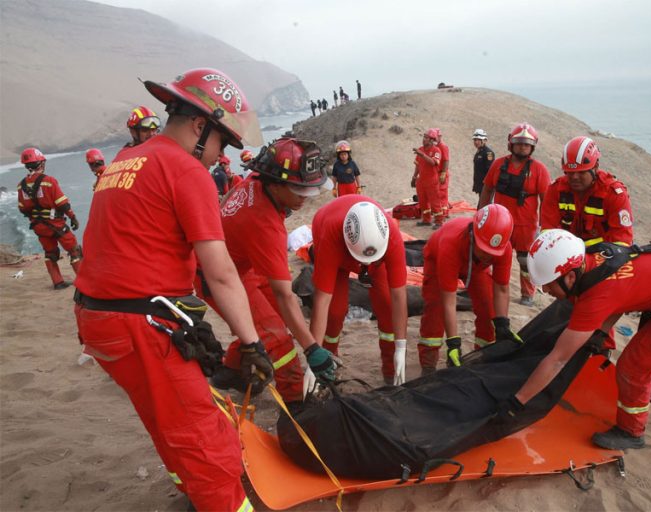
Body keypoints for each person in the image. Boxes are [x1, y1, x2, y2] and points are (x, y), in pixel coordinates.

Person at [73, 67, 270, 511]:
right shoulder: (185, 170)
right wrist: (252, 343)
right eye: (222, 143)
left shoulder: (125, 161)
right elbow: (220, 273)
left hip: (98, 320)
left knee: (166, 420)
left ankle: (192, 493)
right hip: (140, 326)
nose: (219, 156)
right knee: (206, 441)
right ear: (200, 126)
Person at [515, 229, 651, 450]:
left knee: (633, 367)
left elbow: (557, 360)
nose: (545, 289)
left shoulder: (599, 293)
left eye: (548, 284)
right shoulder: (592, 257)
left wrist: (518, 401)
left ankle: (631, 431)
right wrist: (601, 333)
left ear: (570, 277)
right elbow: (620, 298)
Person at [197, 137, 336, 404]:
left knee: (269, 321)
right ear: (275, 183)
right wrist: (312, 349)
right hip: (218, 276)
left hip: (241, 262)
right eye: (299, 191)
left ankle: (231, 370)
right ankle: (295, 402)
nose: (304, 198)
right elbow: (284, 295)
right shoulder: (264, 223)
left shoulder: (257, 181)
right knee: (277, 337)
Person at [310, 196, 409, 385]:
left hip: (371, 252)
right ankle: (328, 361)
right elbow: (322, 301)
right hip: (333, 241)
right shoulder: (330, 235)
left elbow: (399, 296)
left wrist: (401, 347)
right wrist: (313, 357)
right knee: (334, 312)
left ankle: (390, 370)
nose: (367, 264)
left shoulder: (391, 236)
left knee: (387, 306)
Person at [418, 204, 519, 373]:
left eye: (493, 253)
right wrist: (453, 343)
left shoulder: (502, 248)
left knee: (488, 308)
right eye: (485, 250)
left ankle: (482, 356)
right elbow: (449, 300)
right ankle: (428, 365)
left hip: (476, 266)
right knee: (435, 308)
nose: (488, 256)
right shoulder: (450, 245)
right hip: (439, 259)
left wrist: (502, 324)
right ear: (473, 235)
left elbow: (501, 289)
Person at [478, 123, 551, 307]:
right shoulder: (498, 164)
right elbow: (487, 189)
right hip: (499, 224)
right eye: (519, 143)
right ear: (511, 144)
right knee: (491, 256)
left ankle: (527, 294)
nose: (523, 147)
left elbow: (546, 201)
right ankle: (487, 288)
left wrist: (544, 228)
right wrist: (481, 214)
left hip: (526, 226)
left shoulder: (539, 170)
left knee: (525, 261)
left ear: (532, 147)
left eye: (527, 144)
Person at [541, 136, 633, 249]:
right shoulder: (555, 190)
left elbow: (622, 241)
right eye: (570, 172)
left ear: (596, 167)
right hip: (565, 253)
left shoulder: (614, 194)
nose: (575, 177)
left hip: (604, 255)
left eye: (581, 172)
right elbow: (547, 233)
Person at [17, 147, 81, 290]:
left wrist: (36, 216)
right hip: (56, 224)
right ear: (40, 163)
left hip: (39, 227)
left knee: (50, 252)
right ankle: (83, 280)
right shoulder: (49, 181)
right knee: (74, 250)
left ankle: (58, 282)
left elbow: (22, 208)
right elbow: (62, 204)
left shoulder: (21, 186)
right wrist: (73, 217)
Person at [410, 129, 444, 228]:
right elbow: (417, 165)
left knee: (435, 202)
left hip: (432, 181)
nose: (424, 139)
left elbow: (433, 163)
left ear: (432, 140)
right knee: (423, 201)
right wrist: (414, 177)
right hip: (421, 181)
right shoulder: (420, 149)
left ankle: (439, 221)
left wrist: (422, 154)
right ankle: (426, 219)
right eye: (424, 137)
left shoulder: (436, 150)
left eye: (426, 137)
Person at [471, 129, 495, 202]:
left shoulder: (489, 153)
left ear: (484, 140)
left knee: (484, 204)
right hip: (480, 184)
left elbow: (490, 171)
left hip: (486, 186)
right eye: (475, 140)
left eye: (478, 140)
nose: (476, 142)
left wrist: (486, 187)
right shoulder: (479, 151)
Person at [435, 128, 451, 219]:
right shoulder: (436, 147)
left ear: (440, 137)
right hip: (438, 173)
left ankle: (443, 213)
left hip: (442, 173)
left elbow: (446, 160)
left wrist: (443, 173)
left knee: (442, 194)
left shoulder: (442, 147)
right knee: (441, 193)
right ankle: (445, 211)